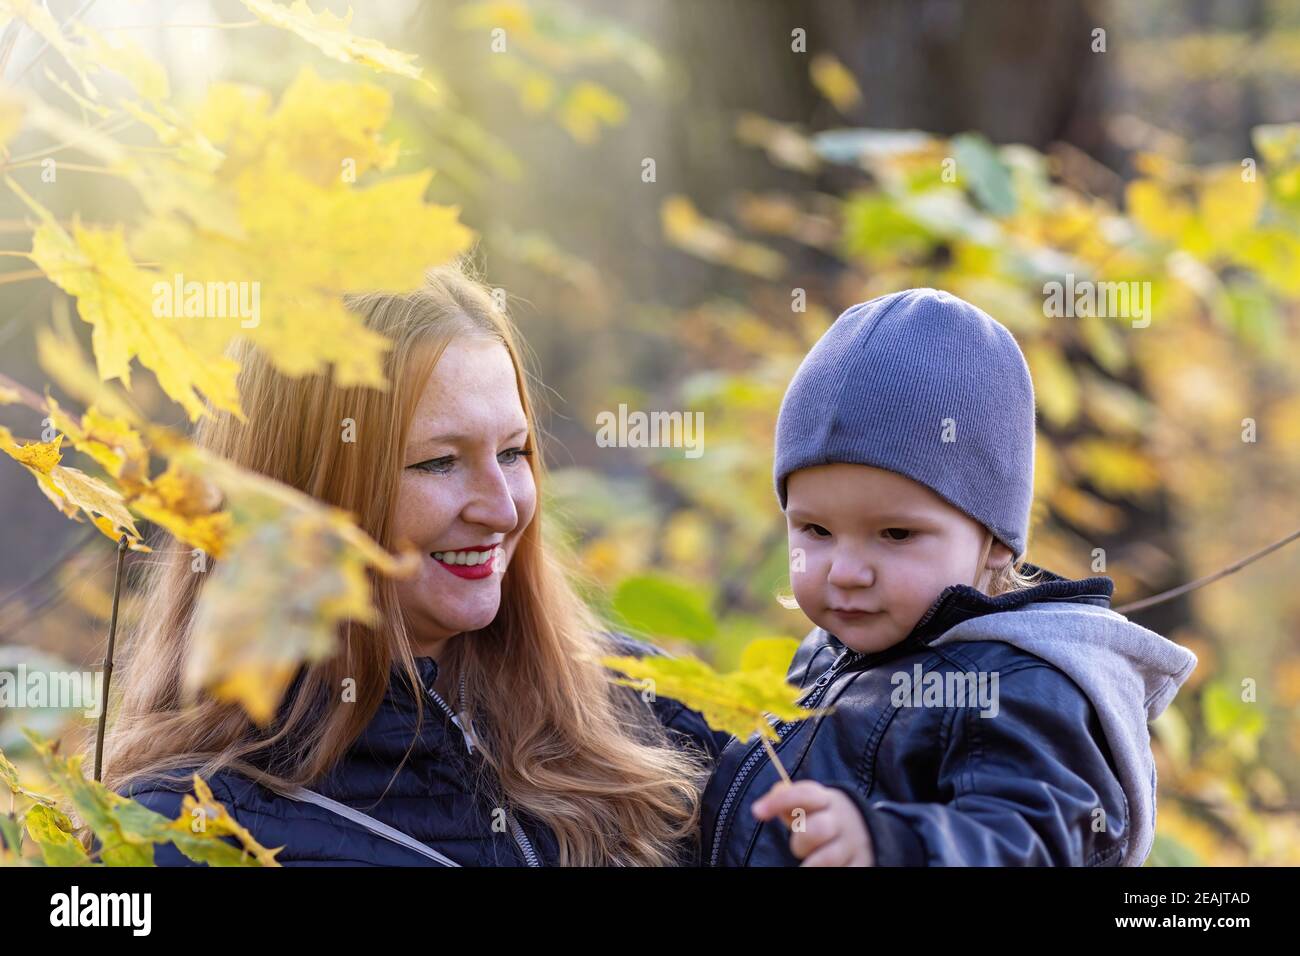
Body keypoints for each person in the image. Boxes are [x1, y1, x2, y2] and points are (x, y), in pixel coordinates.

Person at [100, 260, 721, 866]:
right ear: (303, 499)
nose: (503, 510)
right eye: (438, 462)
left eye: (513, 452)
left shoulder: (642, 705)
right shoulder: (183, 833)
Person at [700, 288, 1197, 867]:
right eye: (815, 530)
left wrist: (891, 847)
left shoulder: (1018, 689)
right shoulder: (831, 655)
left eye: (896, 535)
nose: (846, 571)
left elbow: (1028, 843)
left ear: (995, 543)